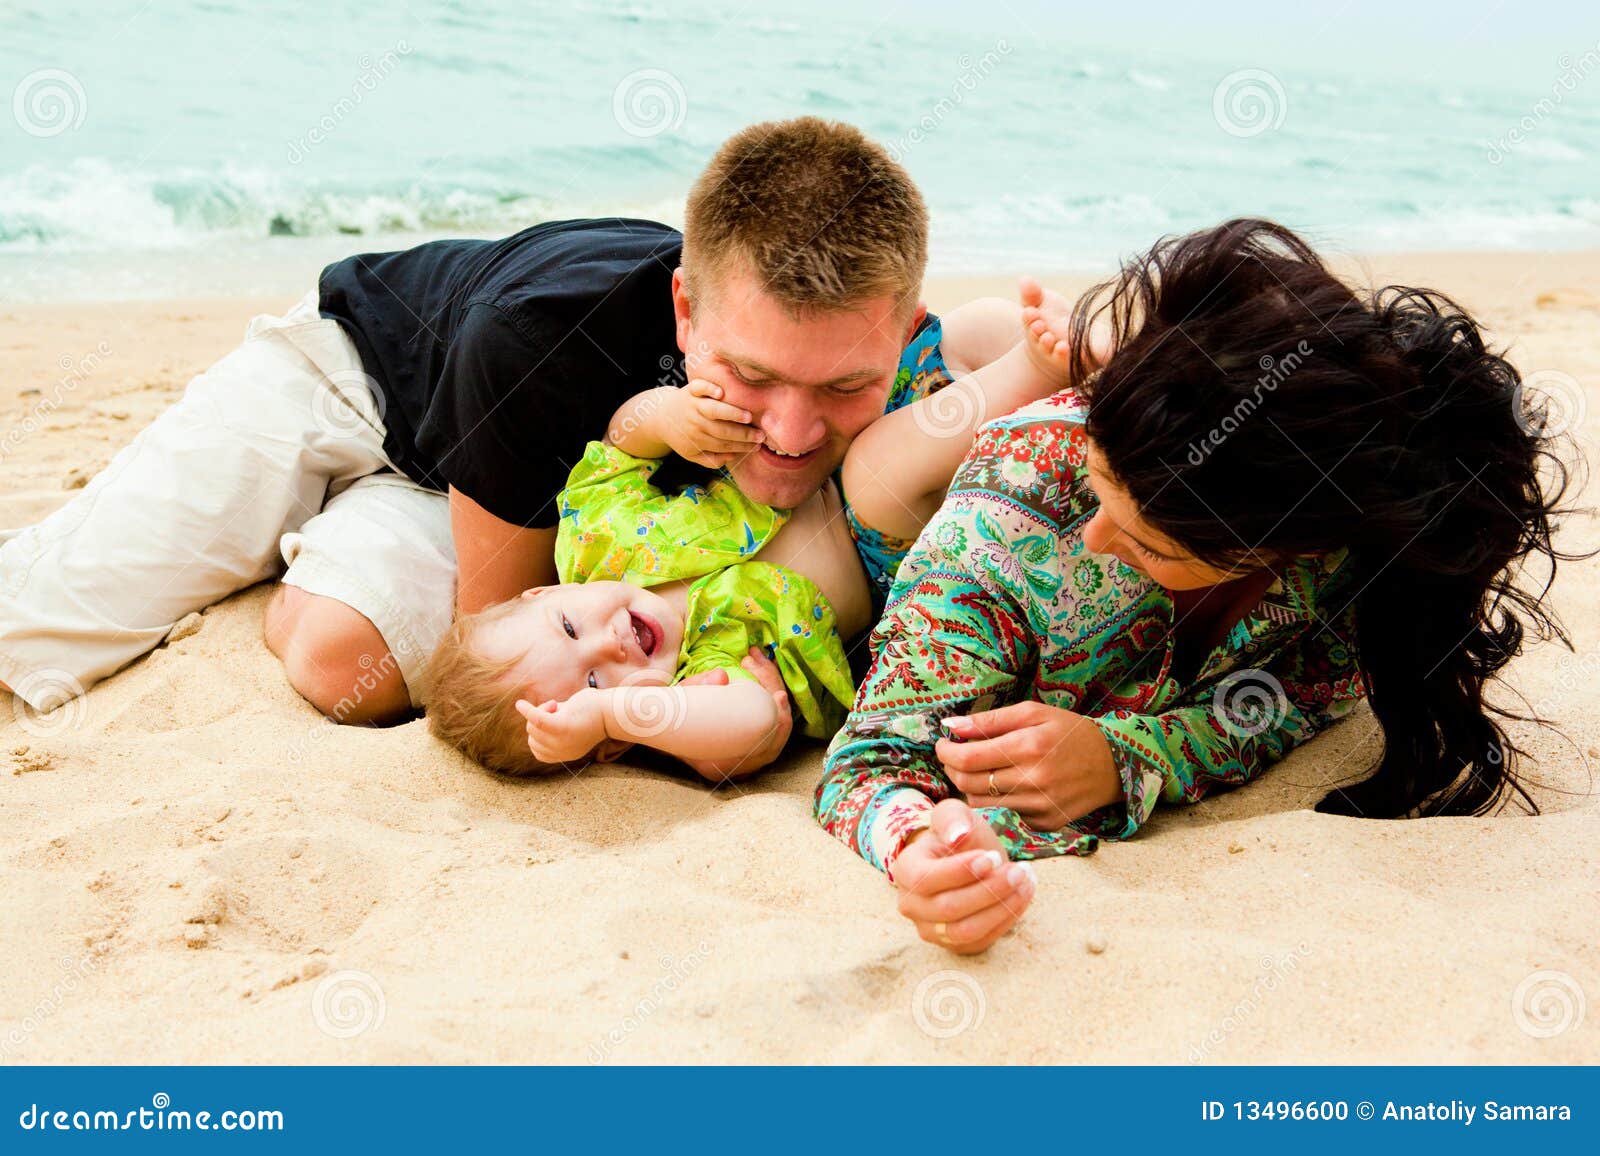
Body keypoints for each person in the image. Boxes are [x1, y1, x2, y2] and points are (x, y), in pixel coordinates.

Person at [0, 118, 937, 724]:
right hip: (358, 379)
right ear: (686, 311)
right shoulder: (538, 337)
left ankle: (304, 559)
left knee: (341, 665)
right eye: (753, 375)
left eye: (843, 387)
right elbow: (499, 637)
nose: (796, 428)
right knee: (46, 616)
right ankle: (281, 524)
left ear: (903, 329)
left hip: (518, 494)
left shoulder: (908, 361)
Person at [816, 218, 1575, 954]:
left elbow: (1313, 691)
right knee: (883, 482)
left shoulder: (1352, 537)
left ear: (1287, 541)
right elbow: (870, 762)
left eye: (1148, 541)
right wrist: (920, 852)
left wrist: (1132, 756)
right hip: (865, 543)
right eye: (1100, 480)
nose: (1094, 539)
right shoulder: (1011, 519)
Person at [423, 283, 1072, 780]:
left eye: (570, 627)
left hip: (821, 457)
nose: (608, 643)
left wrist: (670, 418)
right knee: (881, 474)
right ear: (619, 740)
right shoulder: (703, 678)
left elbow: (617, 448)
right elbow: (753, 721)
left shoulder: (596, 541)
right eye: (594, 684)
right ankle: (1037, 372)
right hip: (890, 555)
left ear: (545, 593)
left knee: (970, 326)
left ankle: (1092, 356)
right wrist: (619, 714)